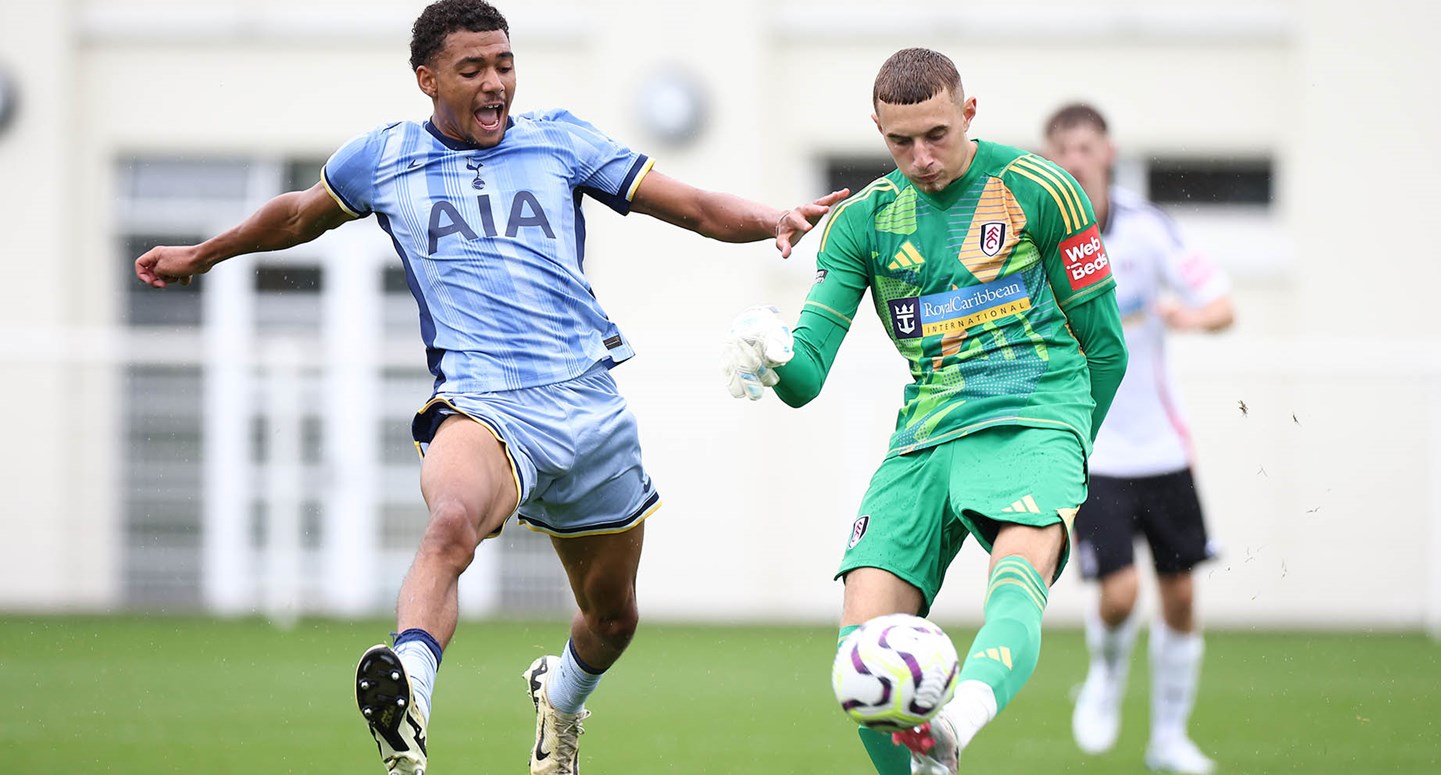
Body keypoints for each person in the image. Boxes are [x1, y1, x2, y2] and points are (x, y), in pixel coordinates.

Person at [133, 2, 846, 773]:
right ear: (427, 79)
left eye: (503, 64)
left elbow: (695, 206)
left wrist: (774, 215)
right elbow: (299, 216)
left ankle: (560, 700)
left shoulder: (559, 139)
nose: (494, 82)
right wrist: (205, 253)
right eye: (472, 69)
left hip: (587, 403)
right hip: (482, 400)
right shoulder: (382, 158)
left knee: (612, 618)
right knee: (450, 525)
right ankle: (410, 701)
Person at [722, 48, 1127, 775]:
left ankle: (957, 723)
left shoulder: (1040, 187)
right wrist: (774, 357)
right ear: (877, 130)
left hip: (1033, 417)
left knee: (1017, 574)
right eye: (899, 141)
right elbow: (809, 374)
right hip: (925, 437)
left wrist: (1069, 446)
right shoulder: (864, 221)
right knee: (860, 650)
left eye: (936, 134)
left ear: (969, 113)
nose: (921, 157)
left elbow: (1107, 349)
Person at [1042, 102, 1235, 775]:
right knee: (1120, 592)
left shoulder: (1148, 231)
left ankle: (1168, 739)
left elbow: (1223, 304)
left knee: (1180, 596)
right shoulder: (1037, 237)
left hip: (1162, 446)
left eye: (1085, 145)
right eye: (1062, 147)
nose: (1074, 158)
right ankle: (1104, 676)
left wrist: (1192, 315)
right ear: (1048, 155)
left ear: (1108, 152)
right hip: (1095, 450)